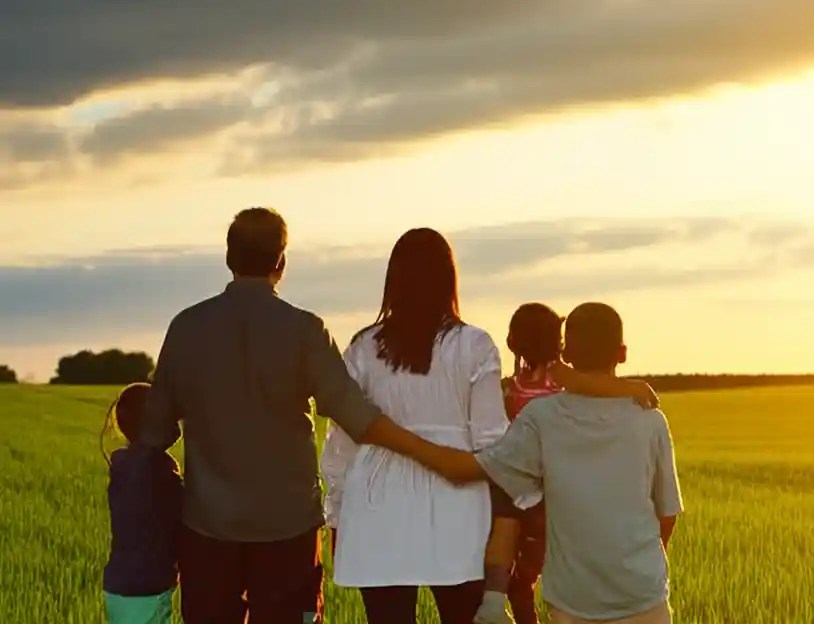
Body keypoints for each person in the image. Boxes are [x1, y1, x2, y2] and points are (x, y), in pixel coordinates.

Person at [319, 234, 656, 624]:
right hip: (458, 507)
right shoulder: (473, 345)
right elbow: (492, 443)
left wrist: (338, 516)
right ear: (450, 280)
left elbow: (341, 443)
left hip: (377, 508)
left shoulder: (362, 347)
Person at [140, 208, 450, 624]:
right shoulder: (306, 330)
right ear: (281, 262)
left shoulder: (186, 328)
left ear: (229, 257)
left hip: (207, 529)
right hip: (288, 531)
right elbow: (357, 418)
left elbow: (155, 433)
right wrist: (427, 451)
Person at [407, 302, 684, 624]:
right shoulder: (651, 423)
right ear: (622, 353)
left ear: (567, 353)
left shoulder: (541, 416)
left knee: (507, 516)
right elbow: (667, 513)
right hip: (643, 593)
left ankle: (495, 601)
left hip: (571, 599)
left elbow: (470, 468)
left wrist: (393, 436)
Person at [476, 303, 567, 624]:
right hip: (556, 496)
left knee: (518, 582)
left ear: (512, 342)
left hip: (512, 493)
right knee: (533, 581)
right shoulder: (568, 388)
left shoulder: (507, 391)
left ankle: (493, 602)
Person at [102, 383, 183, 624]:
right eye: (167, 415)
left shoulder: (125, 466)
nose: (175, 422)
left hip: (123, 586)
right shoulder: (155, 469)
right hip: (145, 588)